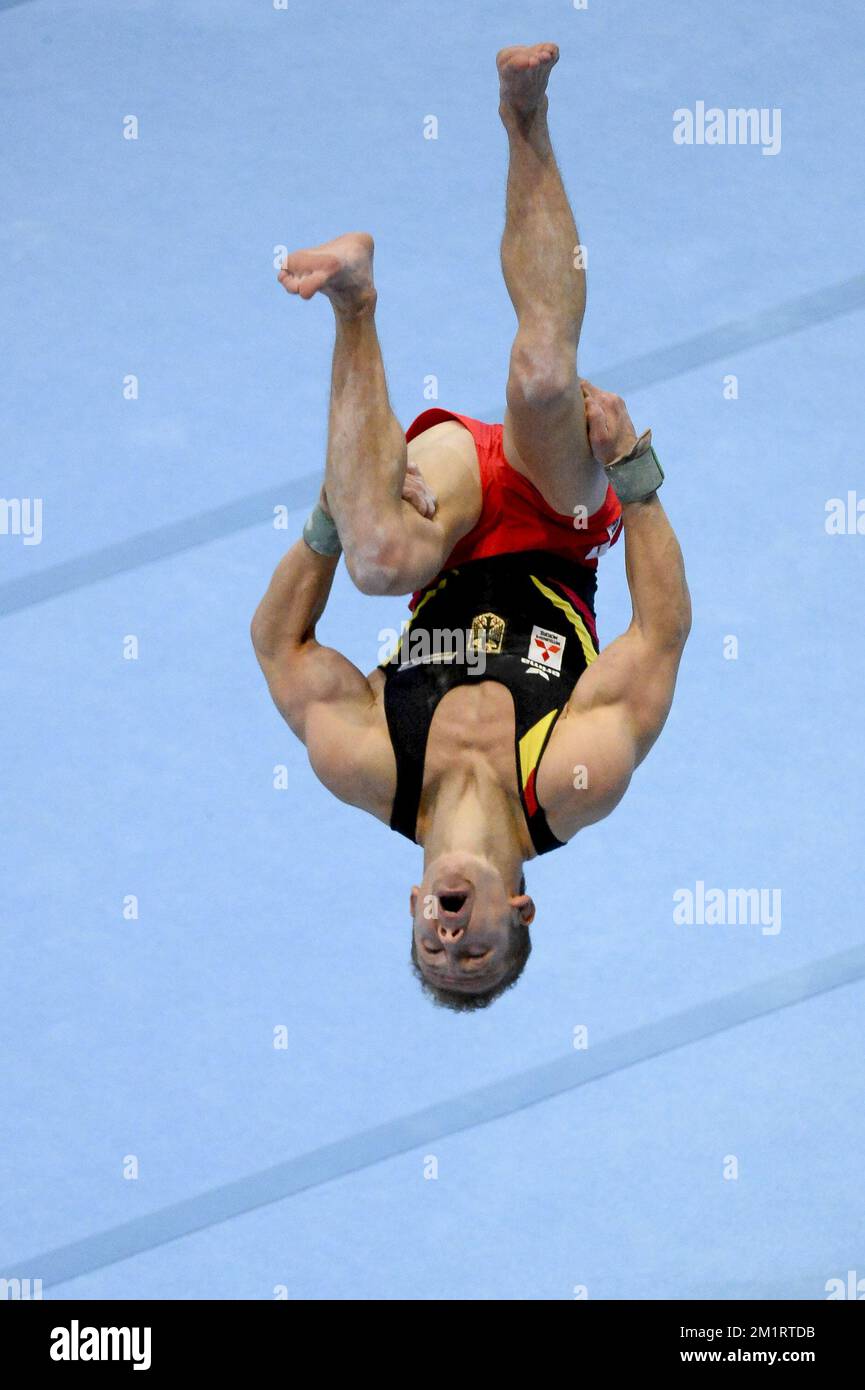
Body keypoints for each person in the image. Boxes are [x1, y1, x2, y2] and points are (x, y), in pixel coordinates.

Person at [251, 43, 691, 1009]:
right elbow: (659, 636)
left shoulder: (372, 768)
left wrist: (331, 521)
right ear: (518, 912)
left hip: (440, 521)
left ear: (413, 901)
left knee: (374, 555)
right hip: (556, 516)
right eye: (475, 951)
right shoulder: (573, 780)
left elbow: (278, 647)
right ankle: (524, 119)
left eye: (433, 947)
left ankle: (353, 302)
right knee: (540, 376)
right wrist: (634, 473)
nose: (451, 938)